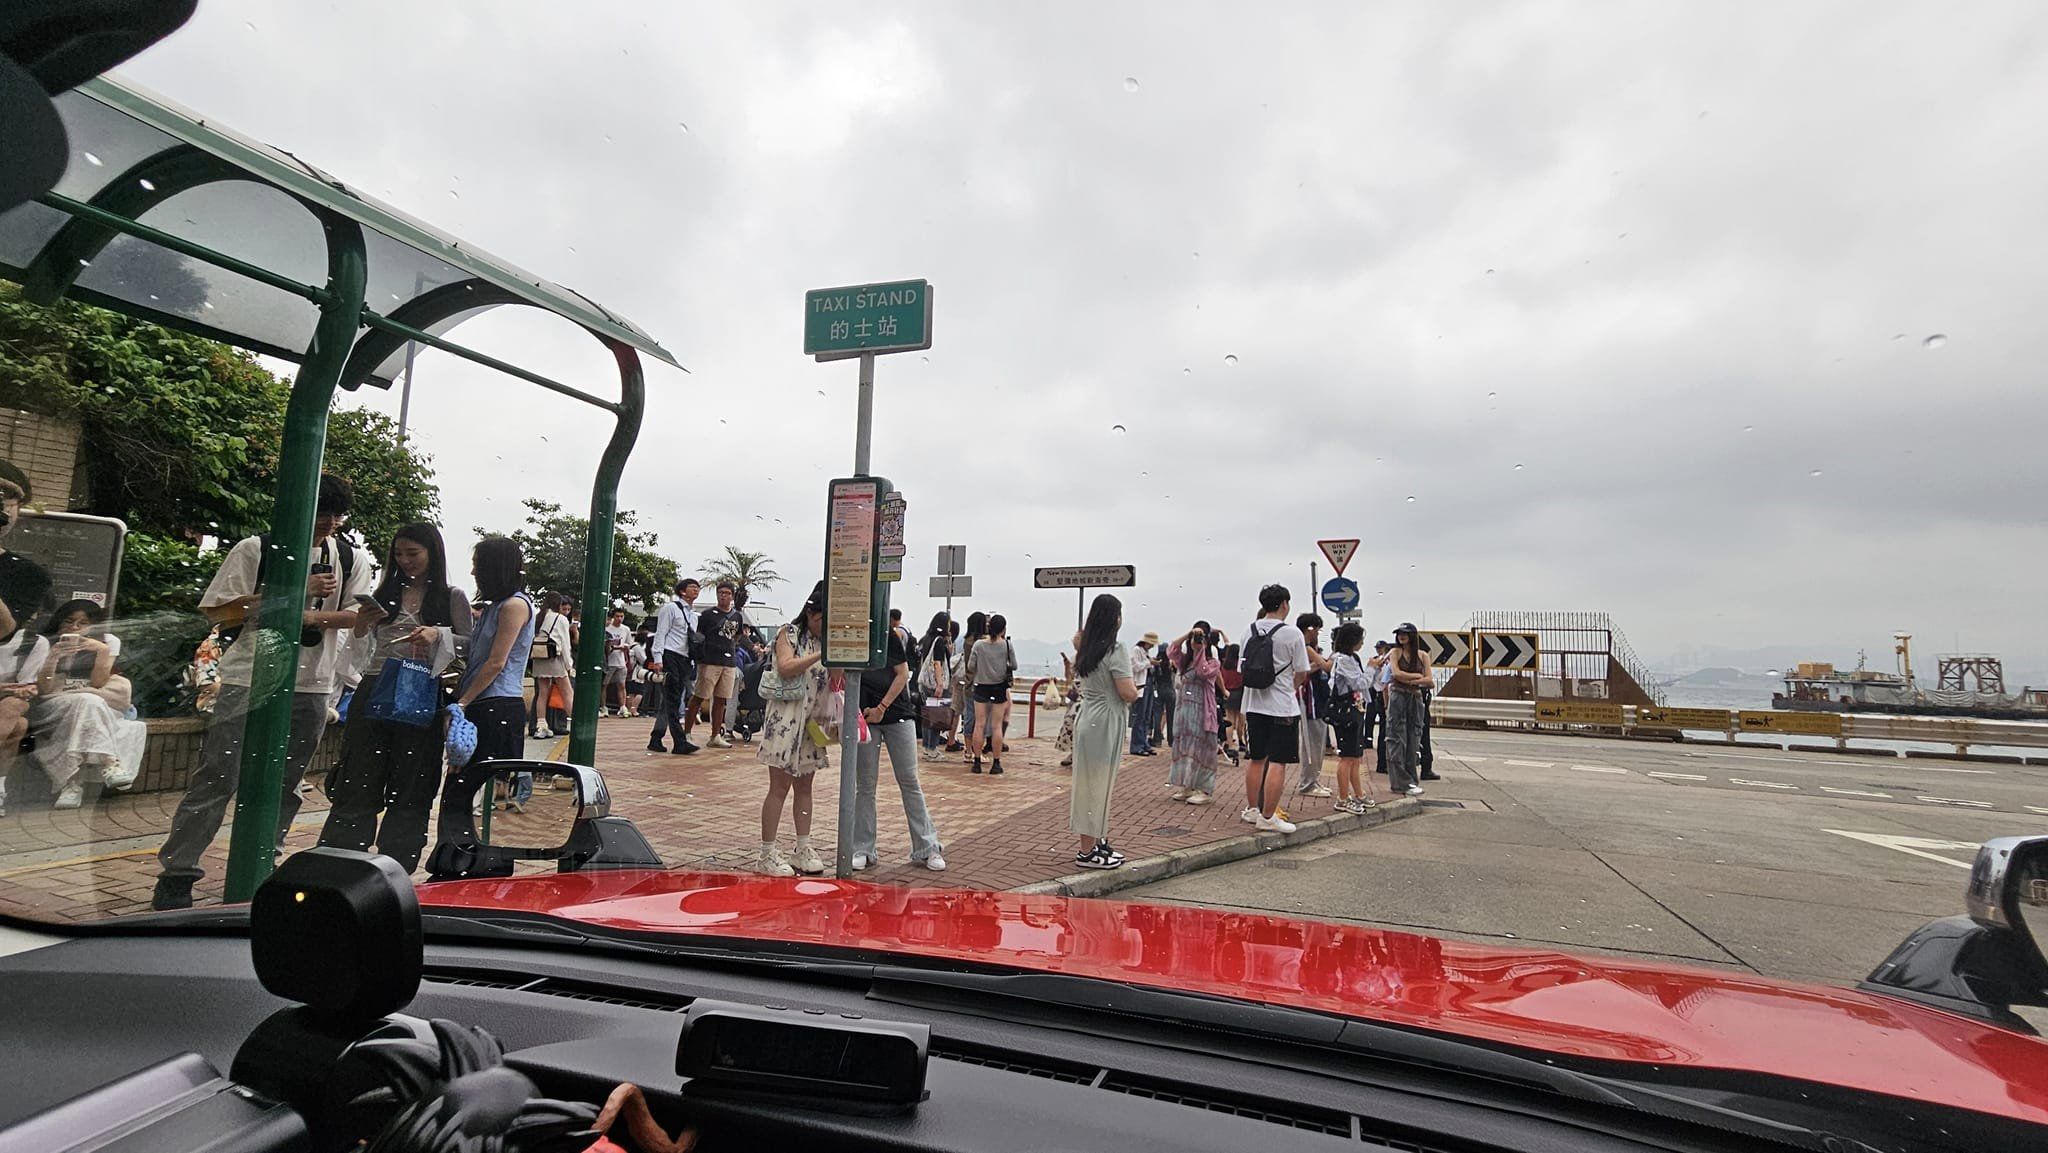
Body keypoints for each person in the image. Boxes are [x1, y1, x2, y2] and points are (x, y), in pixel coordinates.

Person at [153, 473, 375, 911]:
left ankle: (262, 863)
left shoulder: (349, 558)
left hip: (312, 683)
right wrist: (294, 595)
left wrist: (311, 620)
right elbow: (219, 612)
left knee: (287, 782)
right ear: (299, 504)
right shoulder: (257, 549)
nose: (329, 522)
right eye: (321, 511)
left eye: (337, 513)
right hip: (247, 679)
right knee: (218, 776)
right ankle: (178, 872)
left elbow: (356, 615)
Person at [317, 523, 471, 873]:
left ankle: (395, 866)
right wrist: (360, 625)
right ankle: (342, 859)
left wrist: (438, 634)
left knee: (413, 782)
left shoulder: (450, 596)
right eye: (399, 554)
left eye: (413, 554)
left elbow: (470, 645)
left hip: (421, 691)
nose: (405, 561)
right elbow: (355, 657)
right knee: (358, 777)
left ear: (433, 553)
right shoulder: (383, 592)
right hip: (375, 688)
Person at [430, 538, 536, 840]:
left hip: (496, 705)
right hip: (483, 703)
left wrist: (462, 703)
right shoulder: (494, 607)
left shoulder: (514, 606)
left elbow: (496, 663)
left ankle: (468, 858)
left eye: (479, 565)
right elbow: (477, 653)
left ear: (495, 568)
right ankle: (456, 854)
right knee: (459, 788)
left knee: (470, 788)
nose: (474, 571)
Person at [854, 607, 946, 873]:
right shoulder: (846, 636)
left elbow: (902, 674)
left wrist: (882, 707)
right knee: (865, 786)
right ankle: (862, 848)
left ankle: (928, 847)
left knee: (909, 781)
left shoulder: (887, 635)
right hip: (864, 718)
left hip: (897, 715)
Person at [755, 581, 832, 876]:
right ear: (811, 613)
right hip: (785, 720)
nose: (823, 628)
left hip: (814, 720)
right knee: (779, 787)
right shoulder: (789, 633)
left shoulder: (826, 640)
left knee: (805, 787)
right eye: (822, 621)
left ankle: (803, 846)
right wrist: (822, 655)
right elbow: (785, 667)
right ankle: (767, 852)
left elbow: (835, 679)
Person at [27, 600, 133, 809]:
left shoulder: (108, 641)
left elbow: (98, 684)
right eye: (69, 621)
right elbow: (44, 690)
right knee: (88, 702)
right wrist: (54, 655)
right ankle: (111, 763)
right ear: (59, 622)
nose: (75, 628)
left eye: (83, 623)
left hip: (86, 700)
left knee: (86, 704)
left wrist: (101, 651)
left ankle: (71, 784)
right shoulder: (43, 642)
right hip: (52, 701)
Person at [1069, 594, 1139, 869]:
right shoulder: (1116, 648)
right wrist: (1137, 694)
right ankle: (1087, 851)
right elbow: (1126, 691)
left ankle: (1097, 841)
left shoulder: (1085, 646)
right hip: (1106, 720)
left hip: (1088, 717)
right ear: (1116, 619)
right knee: (1097, 785)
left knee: (1092, 783)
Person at [1238, 583, 1306, 834]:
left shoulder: (1249, 630)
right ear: (1285, 604)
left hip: (1254, 705)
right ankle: (1268, 817)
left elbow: (1241, 669)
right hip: (1282, 708)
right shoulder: (1292, 633)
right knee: (1278, 761)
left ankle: (1253, 809)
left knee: (1256, 759)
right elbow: (1301, 671)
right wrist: (1289, 687)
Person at [1165, 621, 1222, 805]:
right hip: (1184, 711)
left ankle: (1204, 789)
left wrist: (1200, 650)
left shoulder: (1212, 660)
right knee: (1185, 746)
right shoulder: (1184, 661)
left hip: (1203, 710)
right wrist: (1188, 634)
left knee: (1202, 748)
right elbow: (1172, 649)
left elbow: (1203, 671)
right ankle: (1186, 785)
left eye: (1199, 637)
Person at [1327, 622, 1378, 814]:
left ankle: (1359, 793)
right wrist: (1371, 668)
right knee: (1347, 757)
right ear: (1352, 640)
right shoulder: (1343, 659)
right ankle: (1342, 798)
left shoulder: (1350, 658)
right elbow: (1360, 682)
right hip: (1346, 710)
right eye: (1360, 639)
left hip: (1355, 709)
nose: (1362, 642)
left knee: (1356, 756)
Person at [0, 622, 50, 817]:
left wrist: (25, 690)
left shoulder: (34, 641)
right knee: (20, 726)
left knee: (14, 706)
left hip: (6, 704)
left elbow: (26, 686)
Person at [646, 577, 700, 754]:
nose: (696, 590)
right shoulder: (670, 608)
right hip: (670, 655)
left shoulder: (694, 615)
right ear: (682, 591)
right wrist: (658, 658)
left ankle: (656, 737)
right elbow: (661, 633)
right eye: (692, 587)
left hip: (684, 658)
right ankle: (679, 740)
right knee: (673, 699)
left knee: (671, 700)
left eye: (697, 588)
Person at [689, 581, 745, 749]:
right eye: (721, 592)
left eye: (727, 593)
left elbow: (738, 636)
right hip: (709, 661)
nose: (723, 596)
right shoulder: (707, 614)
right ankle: (687, 732)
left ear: (732, 596)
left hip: (729, 662)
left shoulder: (737, 616)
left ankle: (715, 735)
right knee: (699, 696)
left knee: (721, 699)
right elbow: (699, 636)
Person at [1383, 622, 1434, 796]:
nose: (1401, 636)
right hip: (1398, 695)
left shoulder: (1422, 655)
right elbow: (1396, 674)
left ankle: (1411, 780)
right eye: (1399, 633)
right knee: (1396, 739)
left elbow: (1430, 681)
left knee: (1414, 738)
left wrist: (1410, 680)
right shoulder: (1395, 652)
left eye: (1405, 633)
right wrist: (1417, 677)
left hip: (1416, 698)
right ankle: (1399, 782)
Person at [968, 612, 1016, 774]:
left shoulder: (979, 645)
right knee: (996, 726)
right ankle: (996, 763)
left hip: (981, 686)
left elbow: (970, 666)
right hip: (999, 687)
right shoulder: (1007, 645)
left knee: (979, 724)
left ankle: (976, 762)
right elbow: (1014, 665)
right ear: (1003, 629)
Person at [1295, 612, 1333, 799]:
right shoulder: (1306, 647)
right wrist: (1330, 659)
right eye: (1316, 629)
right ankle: (1308, 783)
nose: (1318, 633)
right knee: (1312, 744)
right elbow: (1325, 667)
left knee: (1317, 743)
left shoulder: (1311, 648)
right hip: (1309, 699)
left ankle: (1313, 780)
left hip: (1318, 698)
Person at [525, 592, 574, 739]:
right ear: (558, 604)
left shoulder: (539, 617)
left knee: (542, 693)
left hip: (540, 657)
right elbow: (565, 644)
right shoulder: (561, 619)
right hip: (555, 658)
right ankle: (576, 722)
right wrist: (569, 664)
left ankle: (541, 726)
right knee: (567, 692)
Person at [917, 612, 953, 754]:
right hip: (935, 684)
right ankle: (932, 748)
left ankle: (927, 748)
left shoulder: (926, 639)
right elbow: (937, 663)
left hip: (925, 683)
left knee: (927, 716)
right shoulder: (938, 641)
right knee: (937, 716)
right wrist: (940, 684)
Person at [952, 611, 984, 755]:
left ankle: (968, 749)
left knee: (969, 716)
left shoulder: (966, 641)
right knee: (981, 720)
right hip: (982, 685)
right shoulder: (982, 643)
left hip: (968, 683)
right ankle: (977, 751)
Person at [1128, 631, 1157, 757]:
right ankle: (1137, 745)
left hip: (1149, 685)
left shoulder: (1145, 653)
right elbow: (1135, 666)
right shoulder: (1136, 650)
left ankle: (1144, 742)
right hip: (1141, 685)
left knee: (1146, 717)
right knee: (1139, 716)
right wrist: (1149, 663)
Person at [1216, 638, 1245, 765]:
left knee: (1230, 720)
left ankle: (1229, 743)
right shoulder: (1240, 665)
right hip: (1239, 692)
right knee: (1241, 720)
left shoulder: (1224, 666)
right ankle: (1242, 741)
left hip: (1228, 692)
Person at [603, 608, 632, 716]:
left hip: (621, 660)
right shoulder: (607, 629)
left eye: (621, 616)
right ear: (613, 617)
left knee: (622, 685)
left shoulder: (626, 629)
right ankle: (604, 706)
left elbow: (629, 643)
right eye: (617, 616)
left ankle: (622, 706)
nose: (619, 619)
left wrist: (625, 647)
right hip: (609, 661)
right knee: (604, 685)